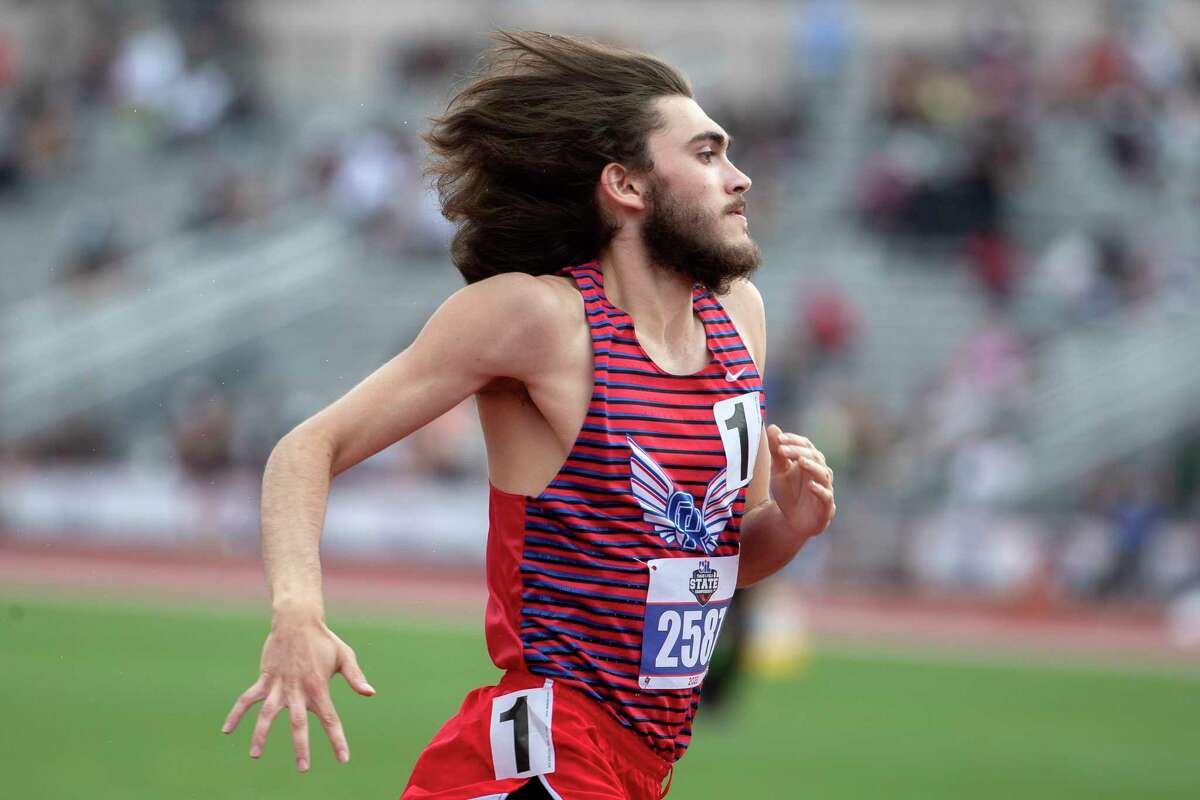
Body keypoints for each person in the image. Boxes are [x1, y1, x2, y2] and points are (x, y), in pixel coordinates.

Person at [221, 31, 836, 800]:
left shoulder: (741, 319)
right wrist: (297, 613)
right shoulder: (537, 319)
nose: (739, 178)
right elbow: (309, 447)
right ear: (626, 185)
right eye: (707, 154)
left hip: (640, 766)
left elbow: (719, 559)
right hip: (541, 752)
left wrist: (795, 526)